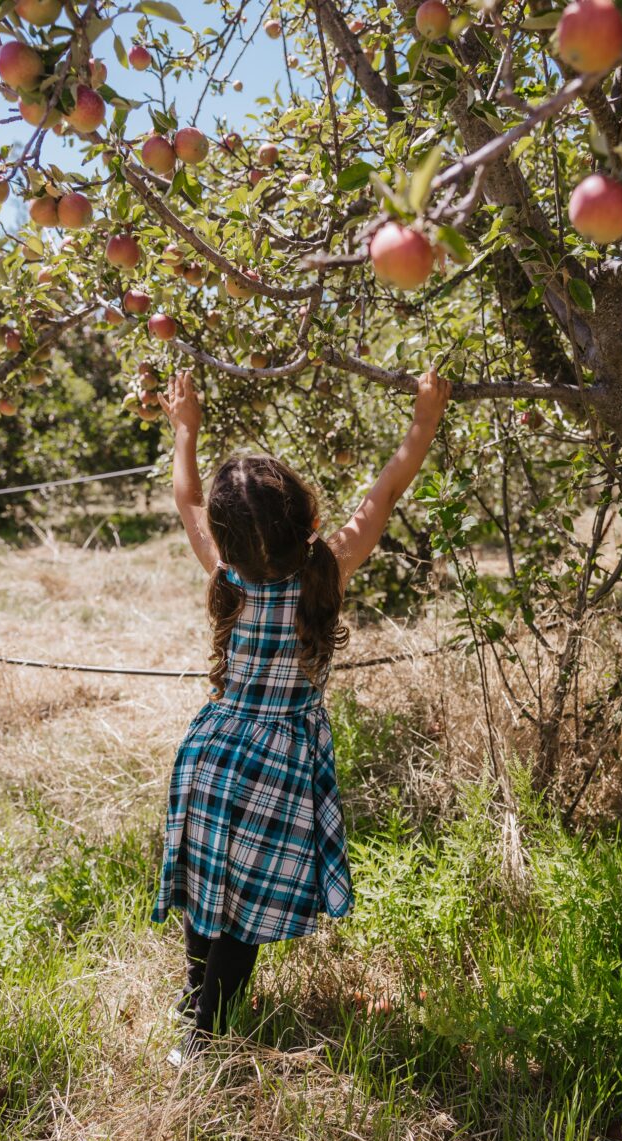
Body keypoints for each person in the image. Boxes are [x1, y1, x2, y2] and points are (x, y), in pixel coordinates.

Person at [151, 365, 451, 1062]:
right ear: (310, 523)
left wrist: (185, 429)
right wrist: (424, 420)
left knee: (209, 889)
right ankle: (204, 1037)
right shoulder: (327, 567)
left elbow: (185, 497)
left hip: (211, 753)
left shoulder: (224, 573)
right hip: (277, 765)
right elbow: (384, 492)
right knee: (242, 913)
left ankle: (195, 1003)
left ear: (224, 539)